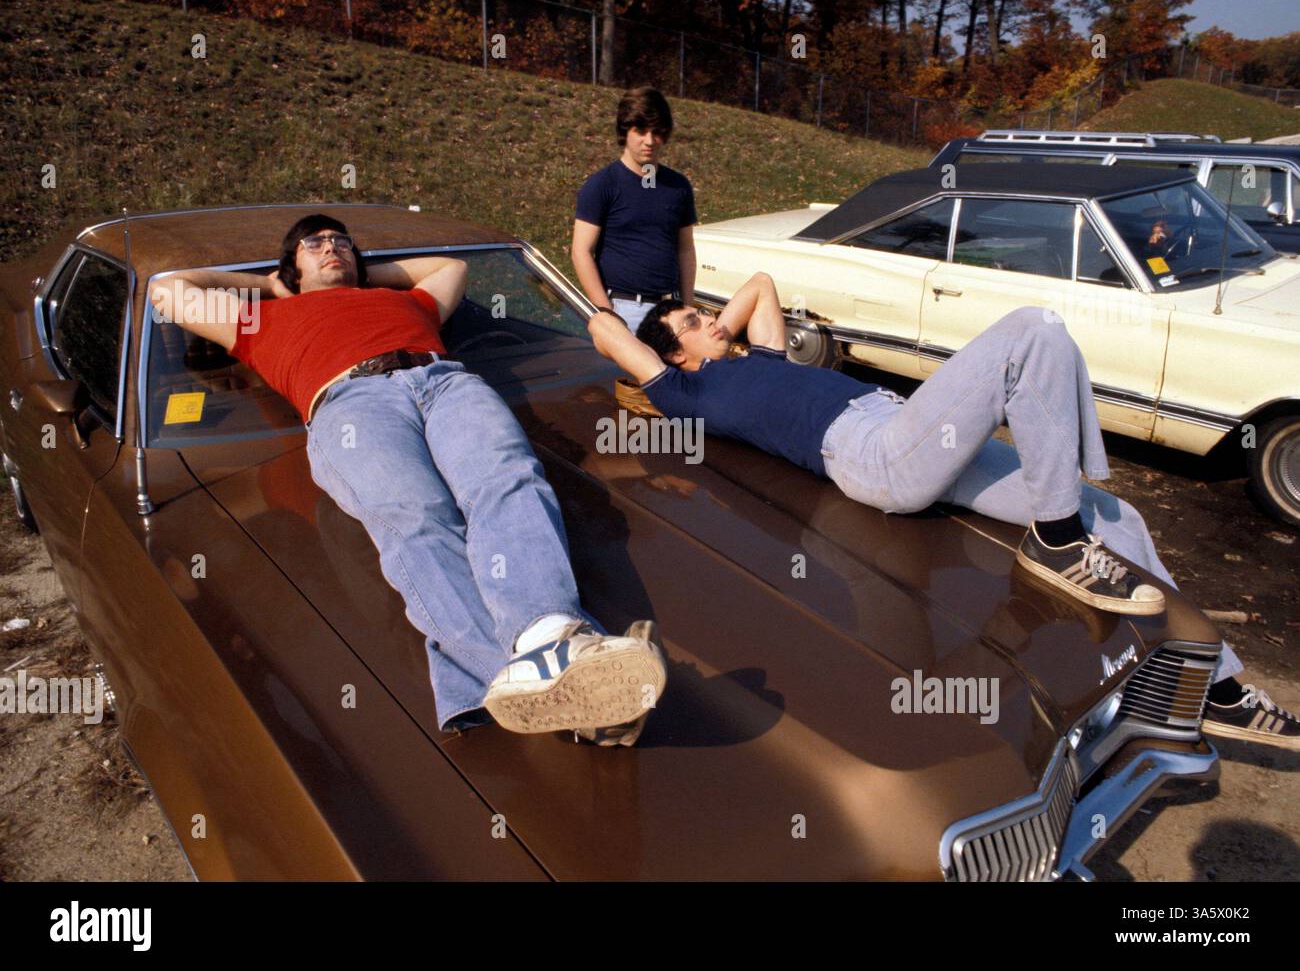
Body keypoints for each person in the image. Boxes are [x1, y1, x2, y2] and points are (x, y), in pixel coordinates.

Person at [588, 271, 1299, 748]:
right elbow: (609, 335)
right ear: (673, 357)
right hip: (876, 451)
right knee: (1034, 331)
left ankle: (1213, 686)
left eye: (707, 313)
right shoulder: (687, 393)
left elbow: (761, 287)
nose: (714, 318)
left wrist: (711, 325)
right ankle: (1055, 541)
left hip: (911, 430)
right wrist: (644, 324)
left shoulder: (757, 361)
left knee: (1116, 518)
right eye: (695, 321)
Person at [148, 214, 666, 747]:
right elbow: (168, 290)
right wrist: (267, 285)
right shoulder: (257, 321)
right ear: (291, 265)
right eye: (315, 244)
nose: (332, 248)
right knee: (416, 518)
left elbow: (450, 266)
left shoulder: (410, 303)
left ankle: (548, 636)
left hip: (443, 381)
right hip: (351, 401)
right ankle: (534, 679)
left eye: (342, 242)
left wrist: (365, 271)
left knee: (508, 482)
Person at [572, 86, 697, 334]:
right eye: (640, 131)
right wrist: (606, 312)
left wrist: (688, 305)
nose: (649, 141)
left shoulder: (678, 186)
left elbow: (685, 249)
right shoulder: (602, 185)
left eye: (657, 132)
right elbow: (581, 252)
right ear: (624, 131)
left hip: (670, 310)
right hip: (623, 309)